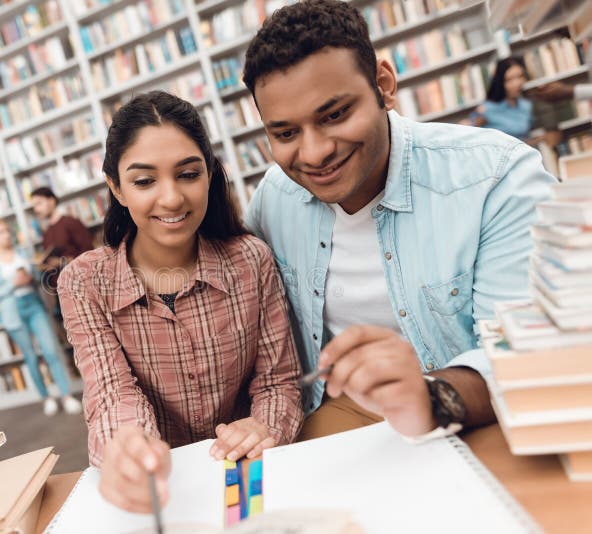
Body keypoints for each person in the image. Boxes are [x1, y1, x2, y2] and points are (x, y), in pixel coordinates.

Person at [242, 0, 555, 442]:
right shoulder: (273, 200)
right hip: (339, 416)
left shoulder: (496, 178)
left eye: (334, 115)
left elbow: (522, 357)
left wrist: (426, 397)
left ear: (384, 85)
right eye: (286, 134)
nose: (313, 154)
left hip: (471, 411)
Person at [58, 91, 302, 512]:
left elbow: (278, 381)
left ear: (209, 173)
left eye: (188, 174)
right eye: (144, 181)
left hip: (250, 471)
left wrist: (264, 427)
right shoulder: (83, 282)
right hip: (163, 491)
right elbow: (113, 393)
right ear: (116, 187)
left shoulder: (252, 260)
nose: (171, 198)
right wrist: (130, 446)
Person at [0, 219, 82, 416]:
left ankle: (66, 395)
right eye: (0, 232)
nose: (6, 235)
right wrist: (13, 284)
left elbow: (36, 277)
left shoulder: (22, 253)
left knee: (52, 351)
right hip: (13, 311)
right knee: (31, 358)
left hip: (34, 304)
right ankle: (47, 398)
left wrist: (32, 276)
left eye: (7, 231)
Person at [30, 186, 94, 276]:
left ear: (51, 201)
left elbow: (89, 253)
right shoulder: (46, 233)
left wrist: (62, 262)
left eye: (39, 203)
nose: (36, 209)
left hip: (79, 278)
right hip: (58, 285)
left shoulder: (70, 222)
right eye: (34, 206)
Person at [471, 57, 534, 140]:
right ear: (500, 82)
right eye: (509, 80)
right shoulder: (486, 109)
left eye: (520, 76)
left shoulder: (526, 105)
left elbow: (525, 139)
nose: (517, 83)